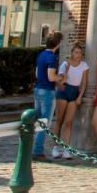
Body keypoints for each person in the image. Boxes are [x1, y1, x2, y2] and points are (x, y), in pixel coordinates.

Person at [52, 43, 89, 160]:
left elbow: (84, 82)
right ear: (72, 53)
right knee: (59, 120)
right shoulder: (65, 64)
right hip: (64, 90)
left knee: (69, 122)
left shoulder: (84, 65)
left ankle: (66, 148)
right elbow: (60, 81)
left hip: (74, 92)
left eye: (80, 53)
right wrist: (64, 76)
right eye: (76, 52)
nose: (78, 55)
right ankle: (55, 147)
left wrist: (80, 96)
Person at [32, 32, 63, 161]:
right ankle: (38, 151)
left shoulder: (41, 55)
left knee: (38, 121)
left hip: (38, 89)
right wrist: (60, 78)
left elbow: (37, 73)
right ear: (58, 44)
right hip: (47, 92)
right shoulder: (52, 57)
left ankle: (34, 148)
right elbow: (51, 76)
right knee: (44, 122)